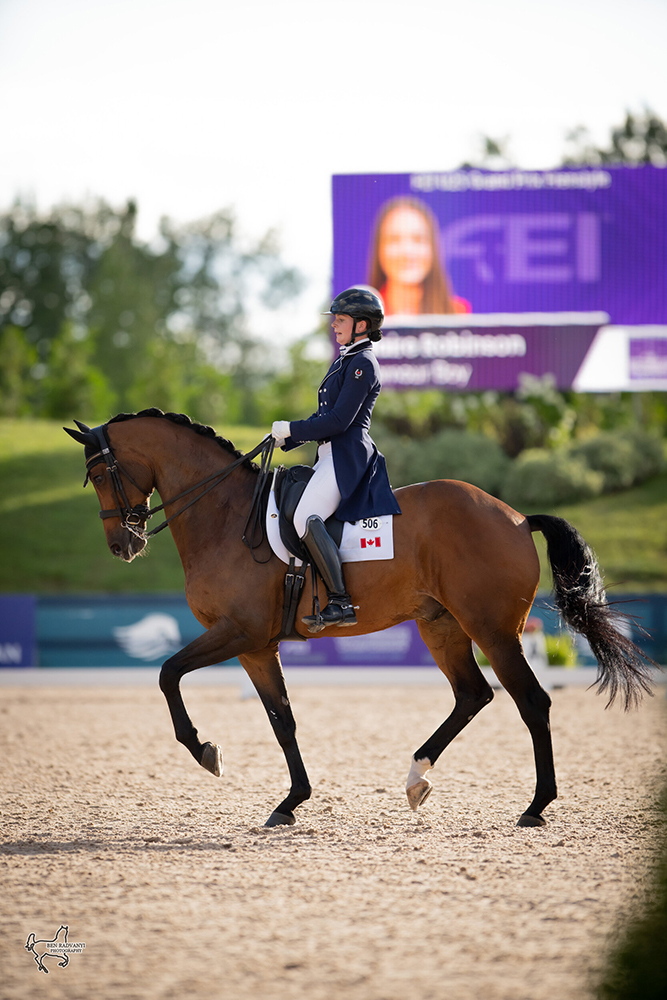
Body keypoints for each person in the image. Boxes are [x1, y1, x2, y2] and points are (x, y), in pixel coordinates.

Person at [271, 286, 401, 630]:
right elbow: (323, 420)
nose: (334, 325)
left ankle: (341, 602)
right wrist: (288, 436)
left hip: (347, 457)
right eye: (335, 320)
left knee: (305, 517)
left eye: (340, 319)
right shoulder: (345, 360)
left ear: (362, 324)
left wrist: (292, 428)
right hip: (329, 455)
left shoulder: (363, 365)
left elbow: (339, 421)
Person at [367, 195, 471, 315]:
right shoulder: (361, 316)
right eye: (394, 239)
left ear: (432, 248)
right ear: (379, 249)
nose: (407, 251)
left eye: (418, 239)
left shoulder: (457, 314)